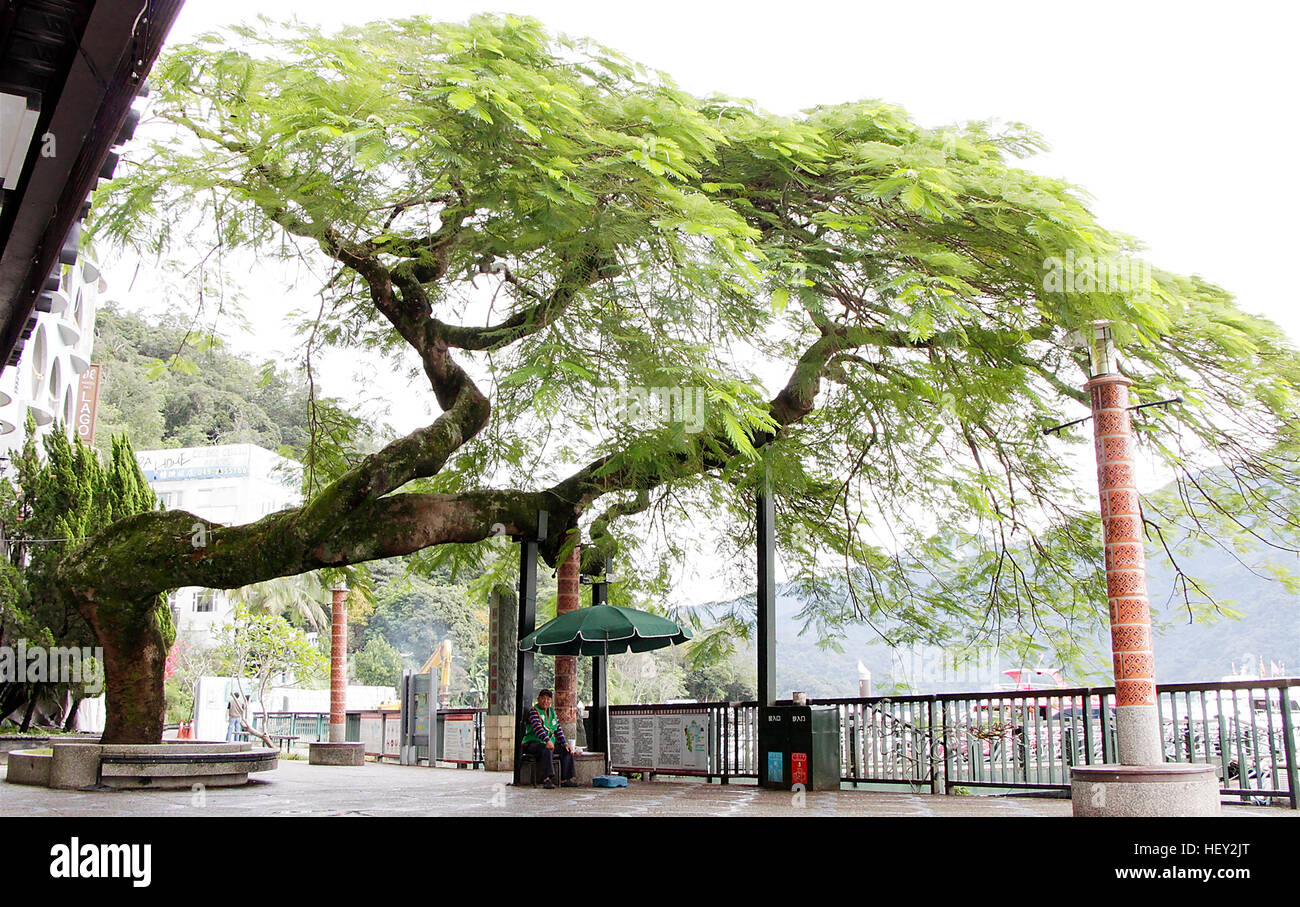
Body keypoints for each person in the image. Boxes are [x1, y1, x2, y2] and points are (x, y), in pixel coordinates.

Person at [522, 689, 577, 788]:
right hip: (533, 743)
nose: (545, 701)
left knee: (566, 751)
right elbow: (538, 728)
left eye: (548, 699)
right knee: (546, 749)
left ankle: (565, 779)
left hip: (549, 743)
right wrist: (547, 740)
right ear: (538, 699)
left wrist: (565, 743)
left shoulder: (552, 712)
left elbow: (558, 729)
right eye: (543, 699)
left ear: (551, 701)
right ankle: (546, 779)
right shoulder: (534, 711)